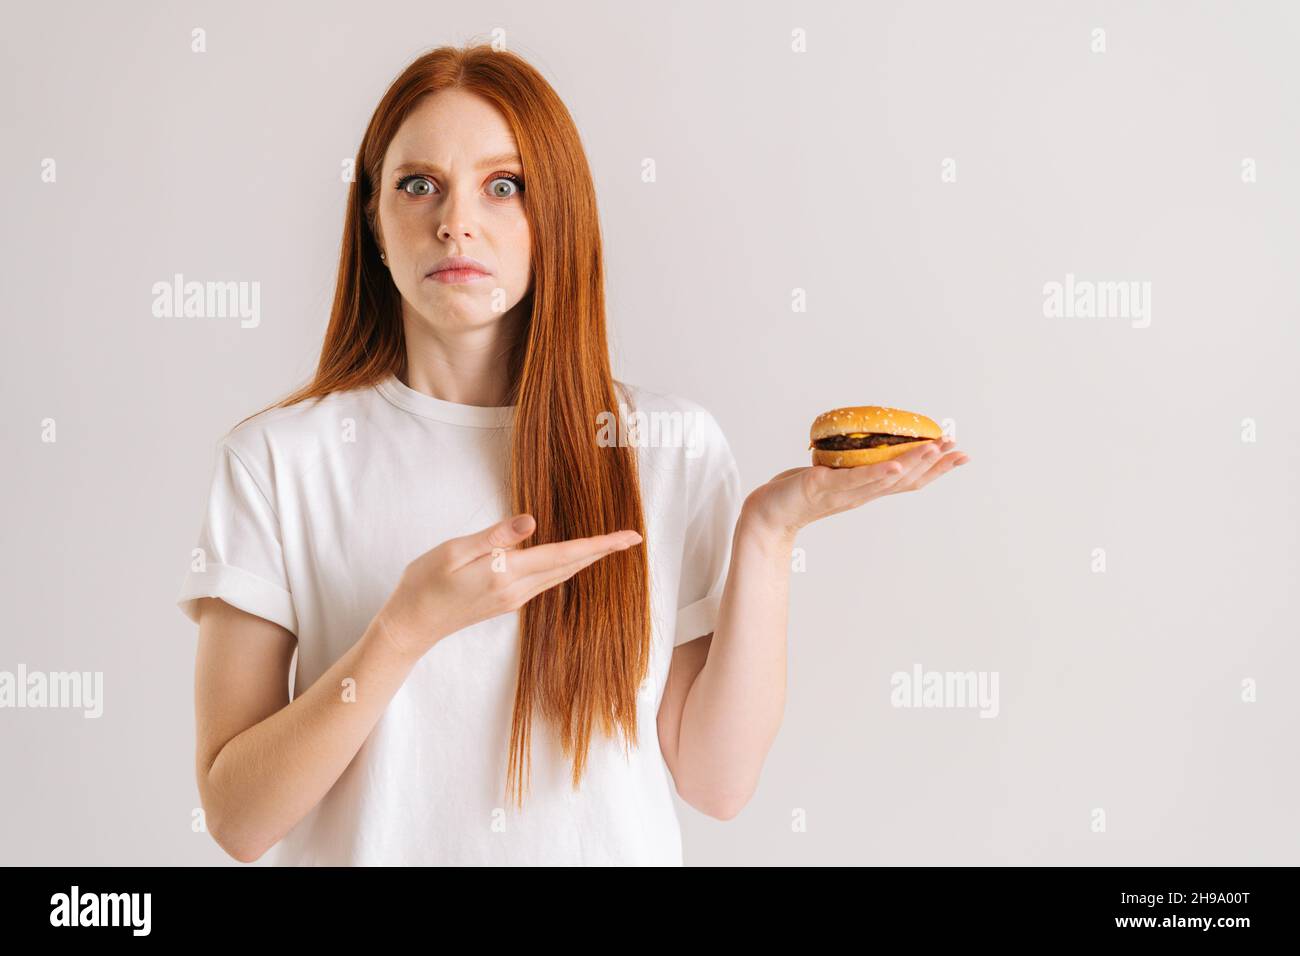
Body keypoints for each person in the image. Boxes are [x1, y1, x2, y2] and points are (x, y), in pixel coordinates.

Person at [176, 43, 969, 866]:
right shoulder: (275, 461)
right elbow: (237, 818)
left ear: (555, 215)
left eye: (503, 185)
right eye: (419, 185)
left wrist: (769, 532)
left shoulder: (665, 449)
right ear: (374, 220)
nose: (456, 220)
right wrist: (403, 632)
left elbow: (717, 781)